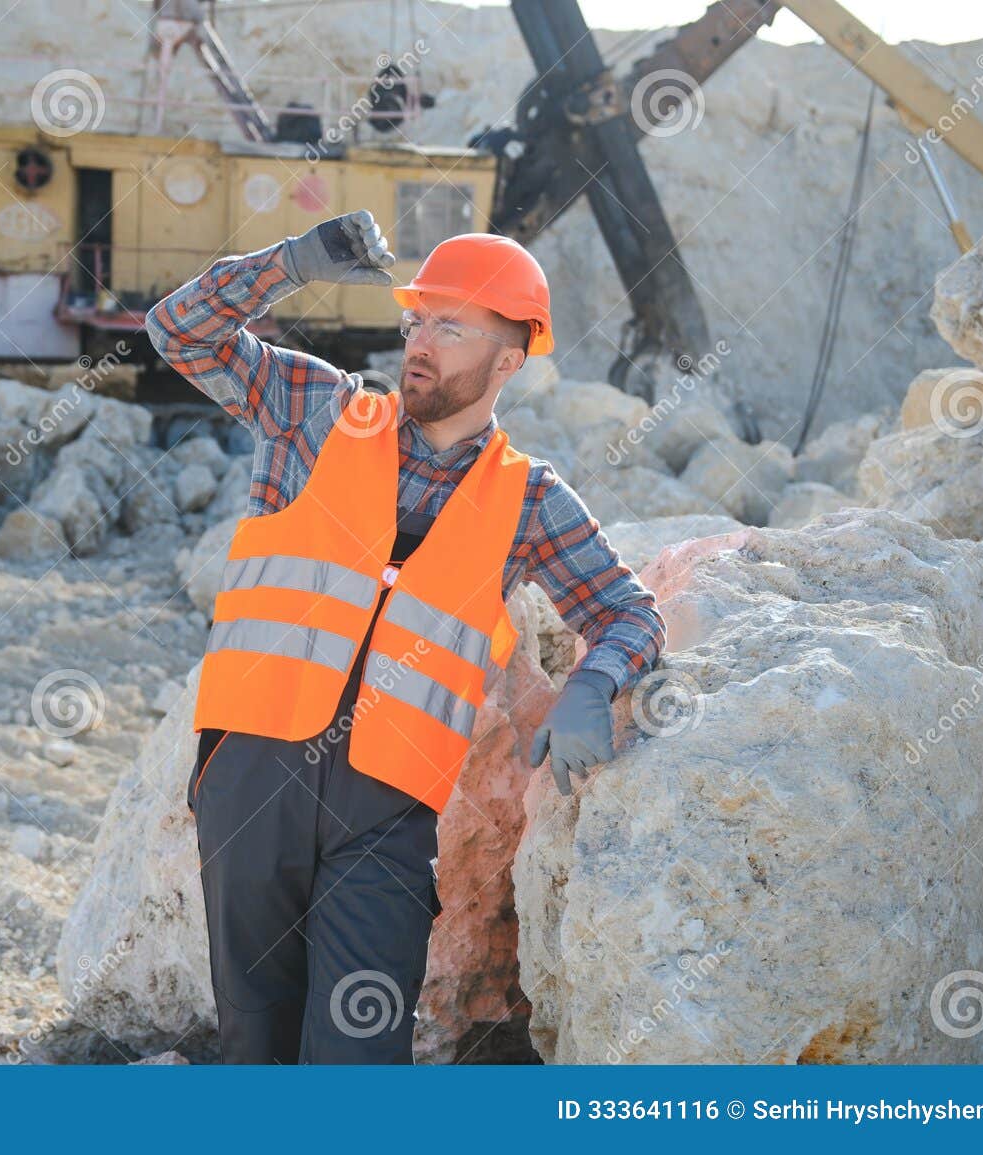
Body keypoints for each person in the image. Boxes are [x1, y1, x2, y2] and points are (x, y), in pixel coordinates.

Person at [144, 211, 666, 1064]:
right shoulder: (314, 410)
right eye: (417, 319)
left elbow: (628, 611)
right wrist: (292, 262)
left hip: (386, 815)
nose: (420, 342)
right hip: (251, 773)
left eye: (451, 327)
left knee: (360, 1049)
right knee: (254, 1037)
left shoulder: (528, 499)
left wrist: (593, 683)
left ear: (510, 358)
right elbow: (179, 330)